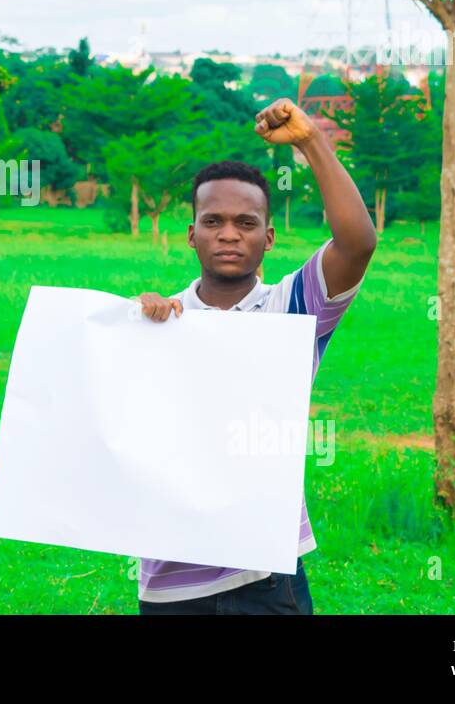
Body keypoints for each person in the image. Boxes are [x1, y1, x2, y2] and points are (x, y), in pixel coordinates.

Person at [135, 97, 377, 614]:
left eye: (246, 223)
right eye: (213, 221)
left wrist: (311, 140)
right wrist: (132, 328)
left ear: (268, 238)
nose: (228, 234)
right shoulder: (157, 322)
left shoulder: (291, 310)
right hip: (171, 576)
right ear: (191, 234)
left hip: (266, 573)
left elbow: (357, 242)